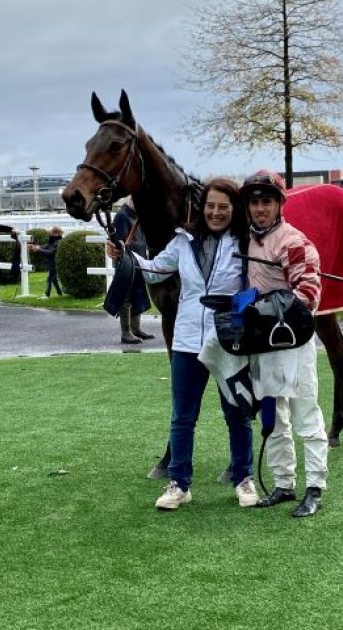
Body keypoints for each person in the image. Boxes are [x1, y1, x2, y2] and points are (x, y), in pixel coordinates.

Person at [107, 177, 258, 511]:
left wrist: (240, 304)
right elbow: (155, 270)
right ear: (202, 207)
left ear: (233, 210)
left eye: (223, 206)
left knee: (237, 414)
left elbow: (258, 286)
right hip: (188, 341)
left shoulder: (245, 243)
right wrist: (125, 257)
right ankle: (180, 484)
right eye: (210, 206)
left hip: (228, 341)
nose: (216, 212)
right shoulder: (182, 241)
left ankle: (243, 478)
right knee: (182, 417)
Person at [238, 170, 329, 518]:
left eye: (267, 201)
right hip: (263, 343)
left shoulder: (294, 242)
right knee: (272, 416)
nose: (260, 208)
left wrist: (262, 304)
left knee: (305, 412)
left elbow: (308, 295)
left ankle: (316, 486)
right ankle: (283, 482)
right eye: (255, 202)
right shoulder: (248, 240)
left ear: (278, 204)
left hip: (293, 340)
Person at [112, 199, 155, 344]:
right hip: (126, 262)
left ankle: (135, 329)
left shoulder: (136, 216)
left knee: (138, 293)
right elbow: (119, 243)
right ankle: (126, 332)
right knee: (126, 296)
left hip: (137, 260)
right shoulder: (122, 216)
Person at [28, 226, 64, 297]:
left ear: (56, 234)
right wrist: (36, 247)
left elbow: (50, 252)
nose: (49, 235)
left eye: (50, 234)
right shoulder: (55, 241)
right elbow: (46, 246)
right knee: (54, 279)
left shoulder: (57, 242)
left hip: (54, 264)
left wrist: (38, 249)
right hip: (52, 263)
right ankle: (59, 292)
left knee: (49, 279)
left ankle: (47, 294)